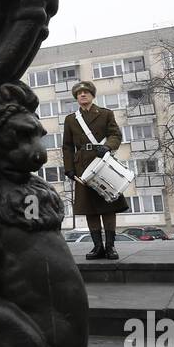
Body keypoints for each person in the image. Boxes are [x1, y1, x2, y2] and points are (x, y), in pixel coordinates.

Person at [62, 80, 128, 259]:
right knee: (90, 208)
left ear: (92, 95)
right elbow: (67, 146)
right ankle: (97, 247)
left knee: (108, 206)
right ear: (76, 97)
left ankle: (110, 247)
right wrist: (69, 168)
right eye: (79, 93)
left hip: (102, 163)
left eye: (86, 92)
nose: (82, 95)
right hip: (82, 167)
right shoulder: (70, 119)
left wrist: (108, 147)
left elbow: (115, 134)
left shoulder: (105, 114)